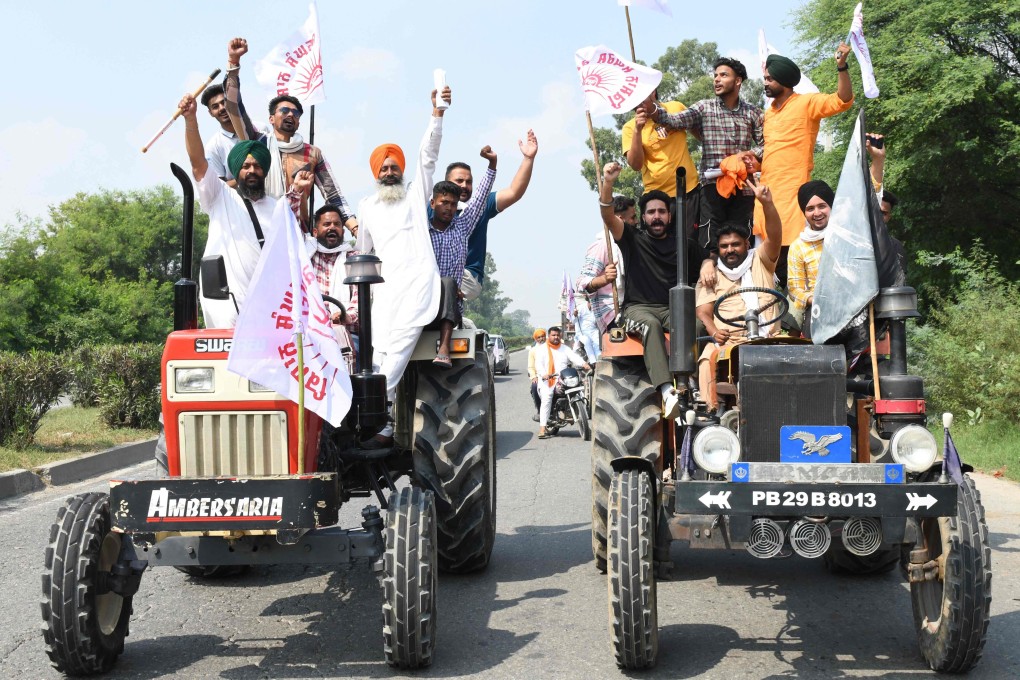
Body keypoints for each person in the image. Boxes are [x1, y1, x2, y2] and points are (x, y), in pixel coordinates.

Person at [355, 86, 451, 447]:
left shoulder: (415, 195)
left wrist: (436, 115)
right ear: (376, 173)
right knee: (376, 351)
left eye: (395, 166)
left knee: (396, 349)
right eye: (385, 167)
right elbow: (362, 251)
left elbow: (429, 155)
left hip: (417, 285)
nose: (391, 171)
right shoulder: (367, 206)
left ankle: (378, 418)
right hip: (384, 291)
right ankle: (373, 415)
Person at [178, 93, 311, 329]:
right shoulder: (220, 196)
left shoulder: (277, 207)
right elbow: (198, 163)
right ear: (236, 170)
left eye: (258, 166)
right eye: (246, 166)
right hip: (226, 305)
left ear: (265, 171)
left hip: (271, 308)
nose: (252, 171)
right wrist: (191, 121)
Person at [222, 37, 356, 232]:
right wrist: (233, 63)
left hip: (297, 235)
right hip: (258, 230)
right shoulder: (256, 143)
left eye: (296, 112)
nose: (290, 115)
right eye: (284, 111)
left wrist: (356, 228)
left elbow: (333, 196)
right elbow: (233, 105)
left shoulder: (312, 153)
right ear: (271, 119)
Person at [650, 58, 764, 284]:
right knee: (711, 241)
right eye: (715, 75)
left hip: (744, 187)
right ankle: (710, 288)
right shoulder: (704, 107)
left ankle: (746, 287)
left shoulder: (753, 113)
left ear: (738, 81)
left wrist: (747, 156)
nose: (717, 80)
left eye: (723, 75)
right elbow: (674, 120)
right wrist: (652, 108)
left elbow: (767, 145)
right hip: (712, 186)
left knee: (743, 238)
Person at [749, 46, 854, 287]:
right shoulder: (769, 113)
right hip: (765, 200)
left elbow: (843, 99)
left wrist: (841, 66)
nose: (765, 83)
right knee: (763, 280)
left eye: (769, 79)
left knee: (796, 275)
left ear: (784, 81)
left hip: (794, 202)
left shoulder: (807, 103)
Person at [599, 162, 681, 419]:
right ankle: (667, 392)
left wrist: (710, 264)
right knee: (651, 326)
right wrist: (608, 183)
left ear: (669, 216)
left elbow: (710, 259)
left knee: (697, 327)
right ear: (643, 217)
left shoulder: (684, 246)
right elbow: (608, 216)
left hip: (672, 309)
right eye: (651, 212)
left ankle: (696, 387)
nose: (657, 216)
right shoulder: (633, 239)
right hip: (638, 309)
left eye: (662, 212)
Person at [696, 180, 784, 410]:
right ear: (718, 249)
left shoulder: (762, 260)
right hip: (731, 342)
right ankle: (711, 414)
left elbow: (775, 236)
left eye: (736, 244)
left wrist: (768, 204)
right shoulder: (710, 273)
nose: (730, 249)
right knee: (707, 358)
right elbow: (704, 312)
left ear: (746, 244)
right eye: (724, 246)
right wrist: (714, 332)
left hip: (769, 338)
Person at [443, 129, 538, 301]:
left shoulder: (480, 206)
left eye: (469, 182)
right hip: (441, 277)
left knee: (440, 283)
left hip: (467, 277)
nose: (464, 185)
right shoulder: (432, 209)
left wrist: (528, 159)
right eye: (459, 181)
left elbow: (513, 192)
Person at [427, 146, 496, 367]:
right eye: (443, 203)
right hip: (421, 301)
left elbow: (482, 196)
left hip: (449, 309)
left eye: (453, 204)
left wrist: (492, 165)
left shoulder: (462, 226)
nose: (448, 208)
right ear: (432, 203)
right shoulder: (421, 231)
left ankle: (445, 348)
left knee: (447, 283)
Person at [307, 204, 360, 370]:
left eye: (337, 225)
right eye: (327, 224)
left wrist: (346, 316)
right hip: (310, 332)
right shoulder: (306, 258)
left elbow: (359, 300)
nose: (333, 228)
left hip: (346, 333)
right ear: (315, 232)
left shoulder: (353, 259)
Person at [786, 180, 835, 337]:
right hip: (817, 312)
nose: (817, 213)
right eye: (810, 208)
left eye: (822, 206)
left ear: (831, 206)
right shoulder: (798, 246)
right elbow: (795, 289)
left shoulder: (846, 235)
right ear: (804, 213)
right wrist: (814, 300)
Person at [576, 195, 630, 334]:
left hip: (630, 309)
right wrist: (605, 279)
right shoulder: (603, 245)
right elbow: (582, 282)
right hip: (613, 314)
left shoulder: (630, 243)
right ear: (620, 220)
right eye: (633, 217)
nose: (637, 221)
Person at [533, 326, 591, 439]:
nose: (556, 337)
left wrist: (584, 364)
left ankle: (576, 412)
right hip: (547, 381)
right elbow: (538, 364)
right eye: (553, 335)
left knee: (577, 389)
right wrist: (543, 374)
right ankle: (542, 428)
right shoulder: (541, 349)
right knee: (547, 398)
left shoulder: (564, 348)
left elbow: (574, 357)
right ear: (548, 336)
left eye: (558, 335)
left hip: (563, 379)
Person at [527, 328, 546, 422]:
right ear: (535, 339)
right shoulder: (533, 351)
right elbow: (530, 367)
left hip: (553, 375)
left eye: (543, 336)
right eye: (539, 337)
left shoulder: (551, 347)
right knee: (534, 387)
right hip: (539, 376)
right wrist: (533, 376)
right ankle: (539, 411)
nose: (541, 339)